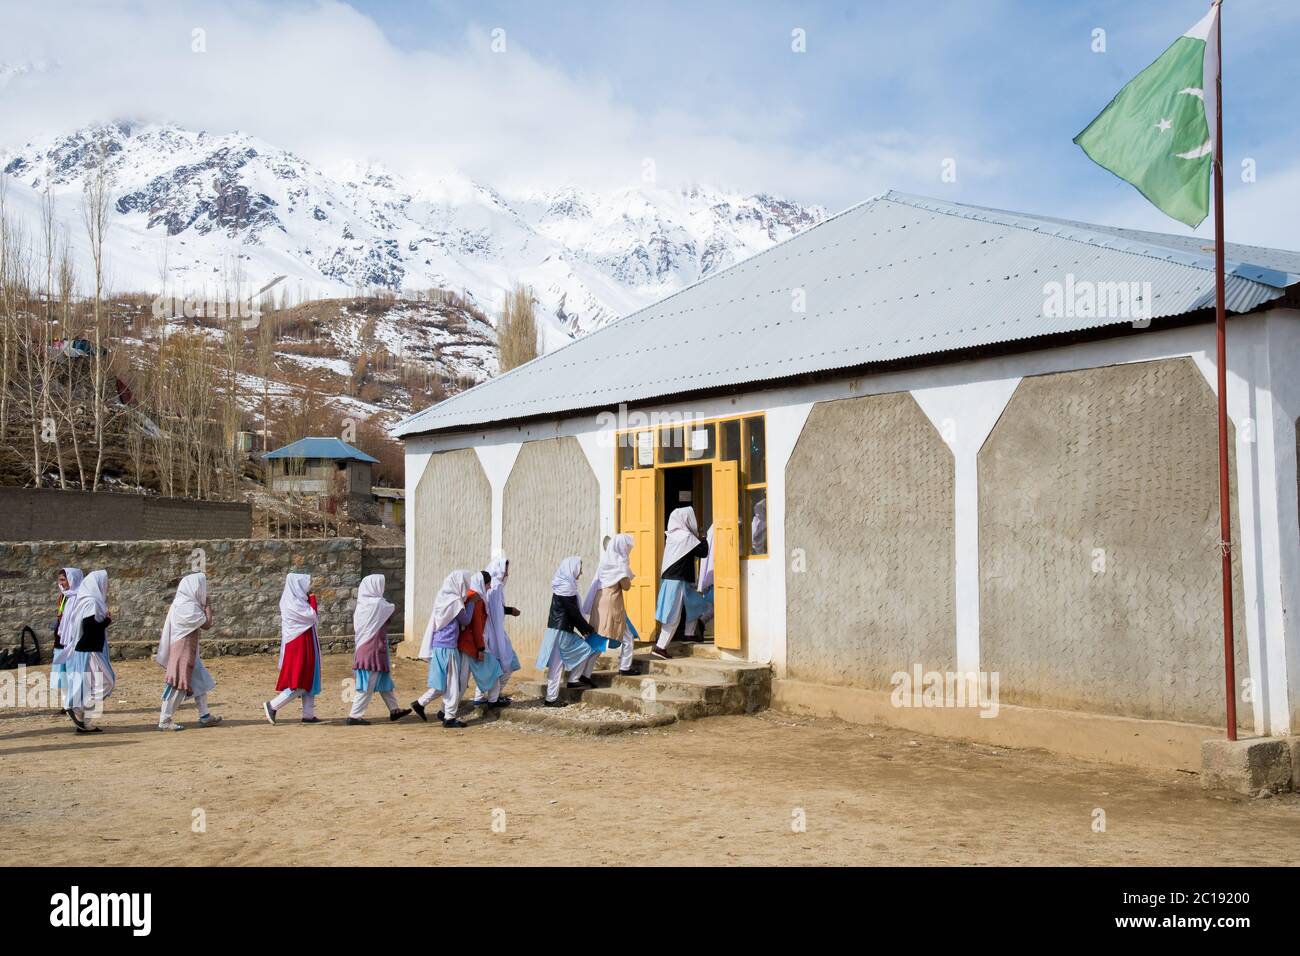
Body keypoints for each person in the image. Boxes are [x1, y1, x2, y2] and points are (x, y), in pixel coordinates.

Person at [411, 571, 478, 728]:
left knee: (443, 682)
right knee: (453, 684)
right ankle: (449, 717)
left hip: (438, 645)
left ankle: (421, 703)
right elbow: (466, 620)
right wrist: (472, 602)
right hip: (449, 647)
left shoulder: (441, 597)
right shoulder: (455, 602)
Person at [156, 572, 221, 731]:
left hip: (188, 650)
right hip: (183, 651)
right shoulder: (188, 606)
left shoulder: (182, 602)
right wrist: (207, 606)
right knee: (177, 683)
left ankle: (205, 715)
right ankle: (164, 720)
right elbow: (207, 624)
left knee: (200, 681)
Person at [347, 574, 412, 726]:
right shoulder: (377, 604)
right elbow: (391, 608)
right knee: (368, 682)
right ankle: (354, 715)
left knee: (384, 681)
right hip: (372, 649)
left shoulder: (362, 604)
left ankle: (394, 709)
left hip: (367, 647)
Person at [536, 556, 597, 706]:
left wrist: (584, 629)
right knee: (562, 663)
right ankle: (552, 697)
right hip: (561, 631)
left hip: (560, 630)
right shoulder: (566, 589)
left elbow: (573, 612)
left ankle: (571, 682)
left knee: (565, 661)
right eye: (580, 568)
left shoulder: (564, 586)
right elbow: (573, 613)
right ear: (572, 568)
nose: (581, 572)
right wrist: (586, 629)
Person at [263, 573, 322, 725]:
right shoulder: (293, 603)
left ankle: (308, 714)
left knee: (310, 676)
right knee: (301, 680)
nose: (308, 588)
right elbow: (312, 615)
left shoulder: (297, 601)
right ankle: (273, 705)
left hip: (305, 642)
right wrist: (313, 598)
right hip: (299, 644)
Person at [652, 507, 709, 659]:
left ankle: (689, 634)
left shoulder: (673, 535)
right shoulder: (685, 537)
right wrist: (702, 537)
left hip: (677, 579)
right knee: (672, 616)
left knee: (695, 605)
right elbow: (703, 552)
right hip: (676, 581)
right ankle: (660, 646)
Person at [61, 570, 115, 733]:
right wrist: (107, 621)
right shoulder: (92, 602)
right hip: (90, 648)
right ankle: (78, 708)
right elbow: (90, 627)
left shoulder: (85, 600)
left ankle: (86, 723)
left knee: (90, 684)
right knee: (107, 682)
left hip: (86, 647)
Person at [581, 533, 641, 676]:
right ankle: (624, 667)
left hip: (600, 602)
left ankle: (584, 674)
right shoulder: (620, 563)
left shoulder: (606, 561)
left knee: (599, 639)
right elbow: (626, 586)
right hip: (612, 606)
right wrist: (629, 576)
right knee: (620, 637)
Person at [472, 555, 523, 707]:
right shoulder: (495, 586)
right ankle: (491, 697)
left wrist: (508, 610)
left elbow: (495, 610)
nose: (507, 573)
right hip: (493, 634)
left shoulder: (493, 585)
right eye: (505, 568)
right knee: (507, 663)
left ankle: (482, 697)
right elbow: (493, 612)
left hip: (493, 633)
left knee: (492, 667)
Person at [459, 571, 504, 712]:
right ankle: (446, 711)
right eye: (488, 584)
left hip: (467, 644)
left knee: (462, 680)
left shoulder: (471, 596)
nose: (490, 587)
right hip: (472, 645)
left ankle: (447, 710)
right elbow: (477, 625)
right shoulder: (476, 599)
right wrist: (480, 648)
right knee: (494, 670)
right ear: (481, 583)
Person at [49, 567, 84, 712]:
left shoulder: (80, 596)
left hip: (73, 639)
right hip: (60, 639)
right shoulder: (63, 595)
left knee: (72, 672)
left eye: (64, 579)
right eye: (60, 580)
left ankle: (73, 703)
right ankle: (65, 704)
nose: (61, 583)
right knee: (60, 673)